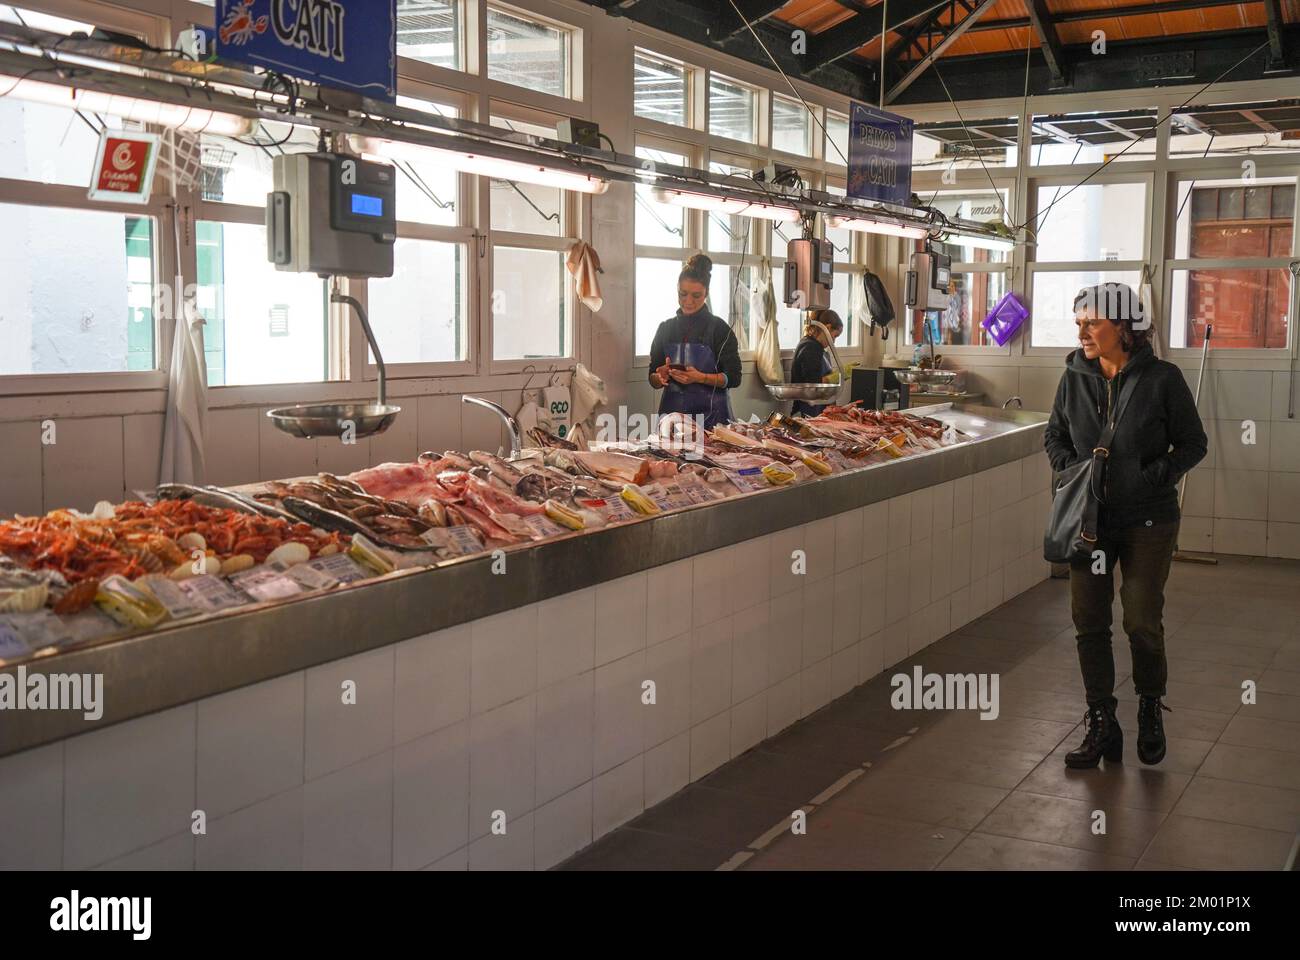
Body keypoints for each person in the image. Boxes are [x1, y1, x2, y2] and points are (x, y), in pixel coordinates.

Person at [1043, 283, 1207, 769]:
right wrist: (1073, 470)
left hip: (1148, 520)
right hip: (1089, 522)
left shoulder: (1163, 379)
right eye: (1079, 322)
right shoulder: (1073, 376)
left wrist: (1150, 476)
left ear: (1125, 327)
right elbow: (1054, 434)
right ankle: (1101, 723)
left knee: (1139, 621)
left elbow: (1193, 443)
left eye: (1092, 321)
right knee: (1089, 622)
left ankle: (1150, 707)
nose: (1083, 331)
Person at [648, 254, 742, 429]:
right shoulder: (665, 329)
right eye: (683, 294)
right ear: (677, 290)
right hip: (672, 420)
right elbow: (652, 377)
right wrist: (660, 376)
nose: (688, 301)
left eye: (696, 295)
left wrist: (701, 377)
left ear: (706, 293)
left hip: (713, 421)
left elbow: (734, 378)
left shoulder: (720, 329)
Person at [788, 309, 844, 417]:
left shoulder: (819, 348)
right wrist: (836, 377)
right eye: (835, 336)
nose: (834, 341)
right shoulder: (810, 348)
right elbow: (813, 384)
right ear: (827, 328)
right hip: (808, 412)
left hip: (820, 410)